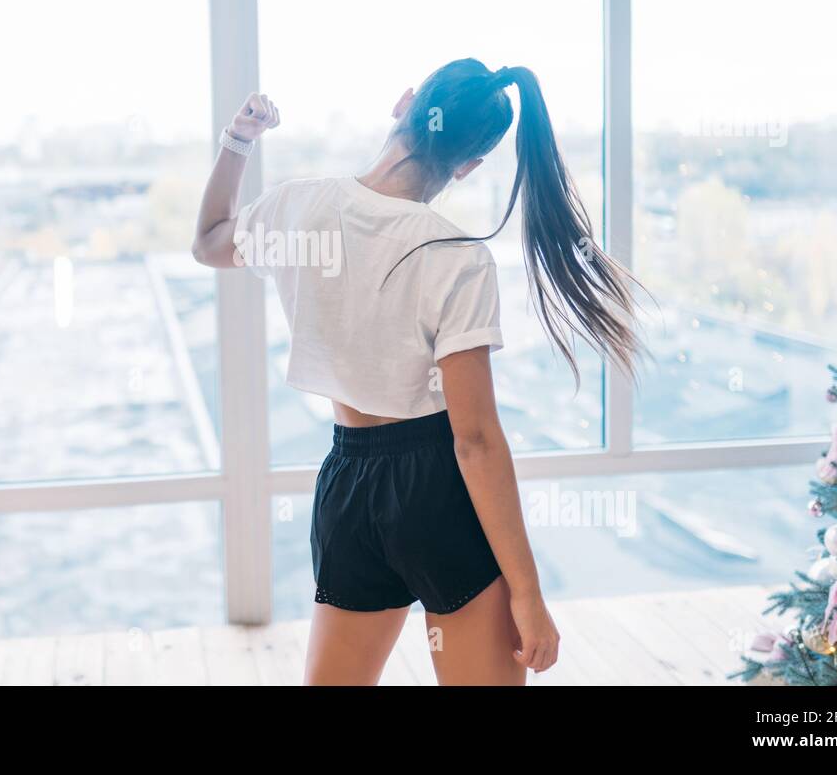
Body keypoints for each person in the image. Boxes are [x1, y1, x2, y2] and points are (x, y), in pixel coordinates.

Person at [191, 59, 642, 685]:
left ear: (404, 103)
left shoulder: (297, 207)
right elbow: (475, 440)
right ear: (469, 164)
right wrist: (529, 595)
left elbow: (209, 240)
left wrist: (238, 141)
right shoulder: (456, 257)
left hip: (348, 484)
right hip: (436, 490)